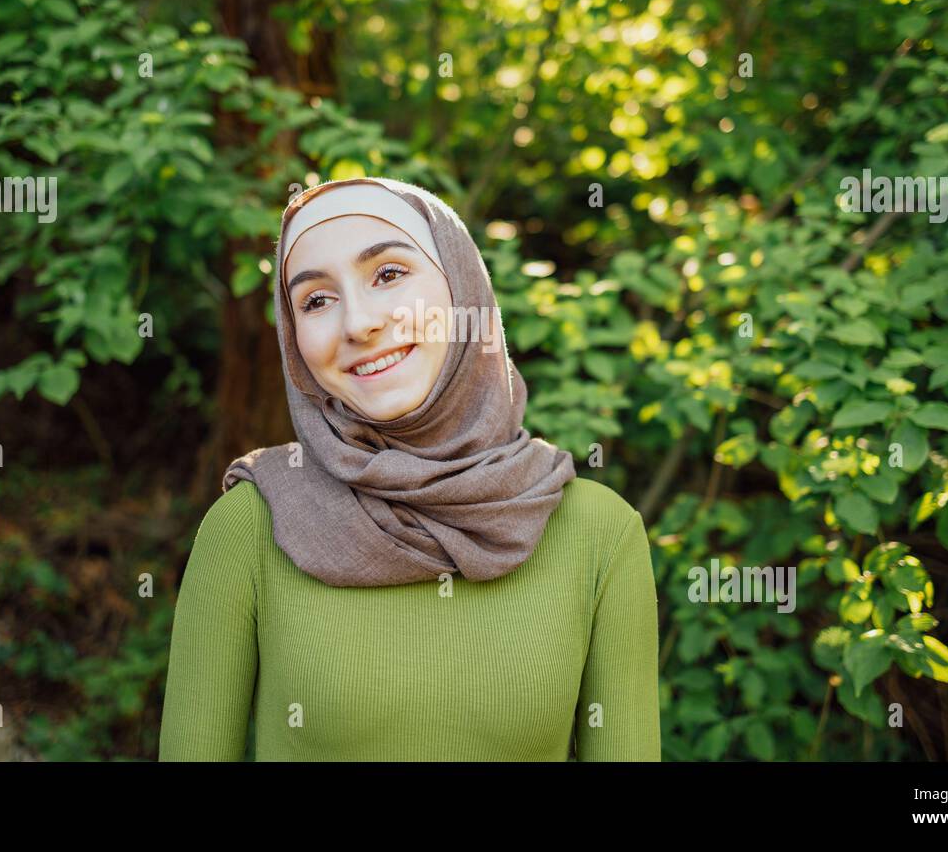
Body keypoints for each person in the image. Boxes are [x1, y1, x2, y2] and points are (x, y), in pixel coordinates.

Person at [158, 176, 661, 761]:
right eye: (316, 300)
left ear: (460, 288)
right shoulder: (250, 526)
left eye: (388, 274)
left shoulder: (598, 532)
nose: (358, 324)